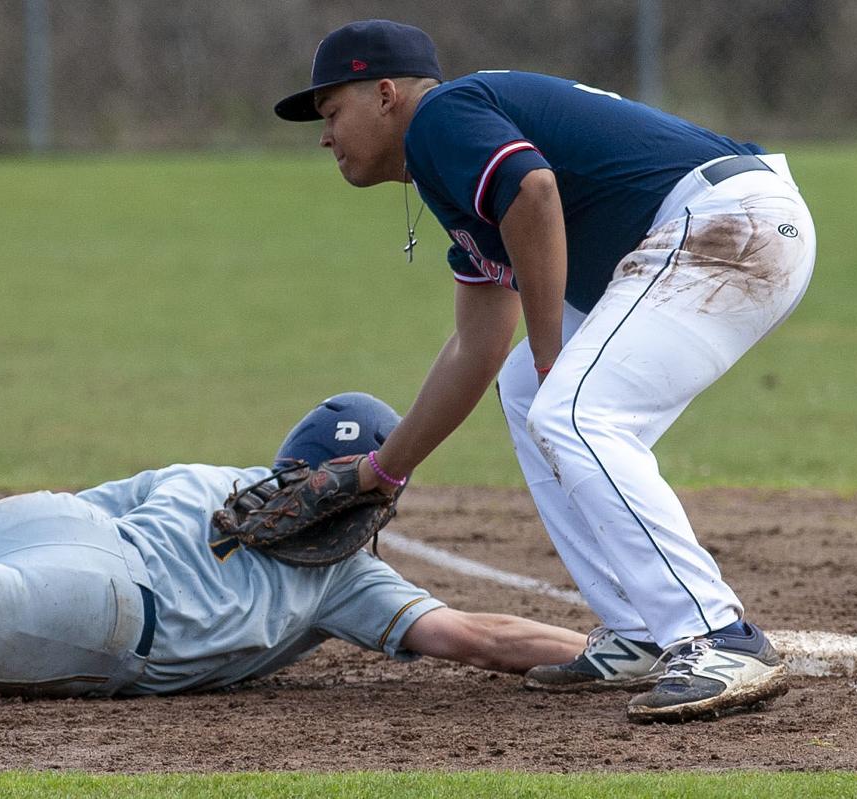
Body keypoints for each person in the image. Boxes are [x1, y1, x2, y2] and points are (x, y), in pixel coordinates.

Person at [274, 20, 816, 722]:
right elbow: (478, 345)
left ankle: (720, 635)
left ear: (384, 95)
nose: (325, 135)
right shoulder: (454, 173)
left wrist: (552, 346)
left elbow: (533, 190)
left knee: (574, 409)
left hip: (726, 222)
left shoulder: (440, 117)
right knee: (532, 392)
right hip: (718, 227)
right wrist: (385, 469)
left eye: (331, 112)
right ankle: (643, 630)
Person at [0, 392, 585, 698]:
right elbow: (475, 638)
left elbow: (79, 510)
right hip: (100, 614)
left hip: (61, 524)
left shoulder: (209, 472)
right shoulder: (348, 576)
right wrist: (610, 648)